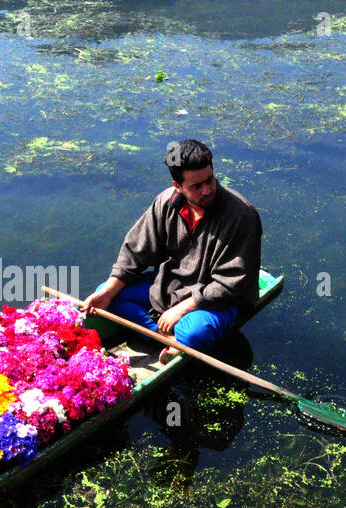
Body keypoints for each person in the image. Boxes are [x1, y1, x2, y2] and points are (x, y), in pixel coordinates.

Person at [81, 139, 262, 362]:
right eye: (196, 186)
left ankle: (178, 336)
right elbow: (136, 252)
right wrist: (108, 290)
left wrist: (181, 309)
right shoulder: (166, 202)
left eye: (210, 180)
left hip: (215, 298)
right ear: (178, 186)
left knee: (195, 333)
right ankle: (165, 336)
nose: (207, 190)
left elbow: (231, 285)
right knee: (108, 295)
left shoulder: (242, 215)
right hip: (170, 285)